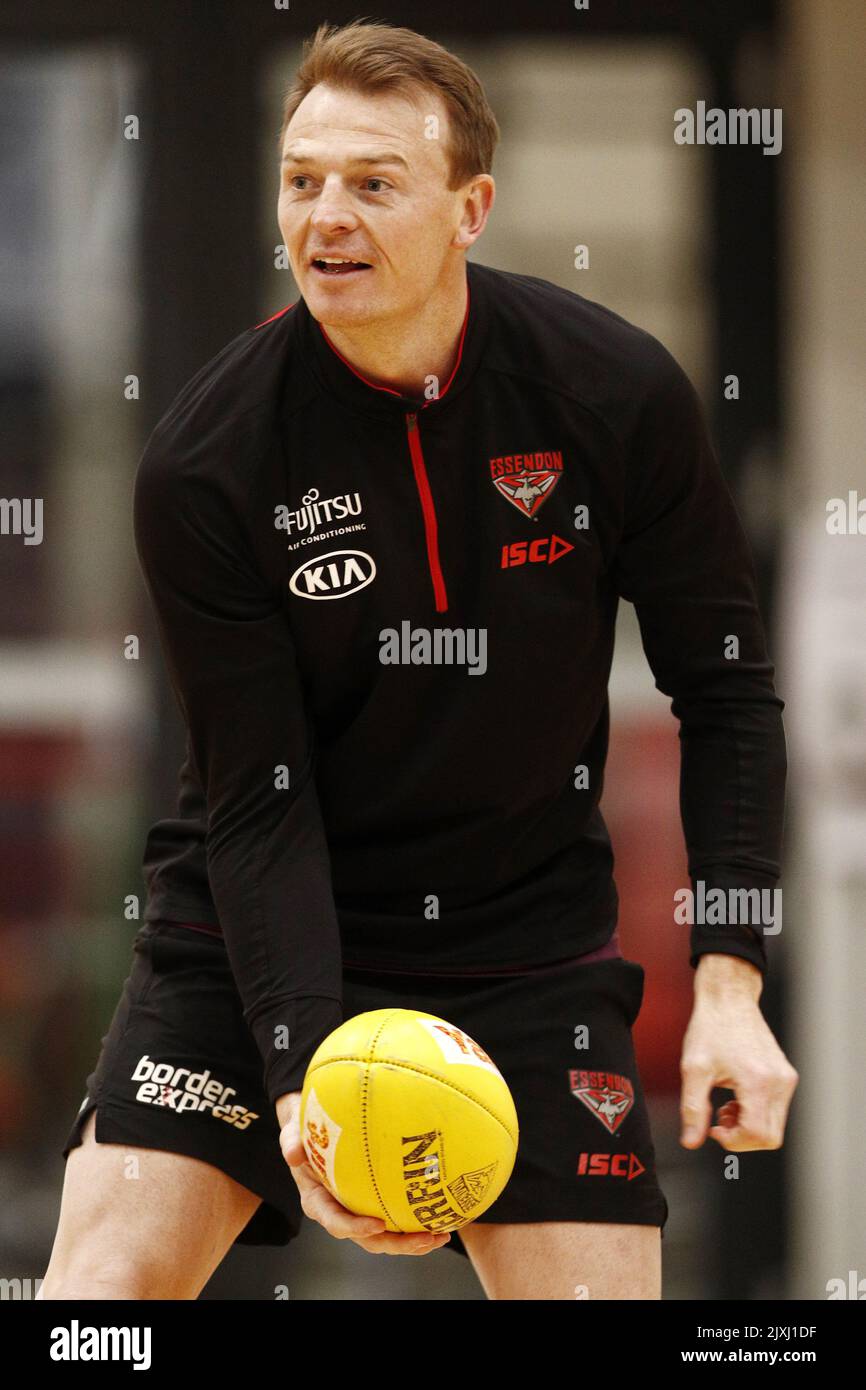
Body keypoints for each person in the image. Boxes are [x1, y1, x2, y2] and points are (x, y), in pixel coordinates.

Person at [39, 19, 797, 1301]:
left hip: (522, 945)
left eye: (374, 182)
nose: (325, 215)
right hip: (253, 938)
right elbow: (258, 798)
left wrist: (727, 983)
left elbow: (721, 689)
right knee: (93, 1313)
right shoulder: (208, 460)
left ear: (469, 209)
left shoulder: (611, 394)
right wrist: (297, 1081)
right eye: (301, 179)